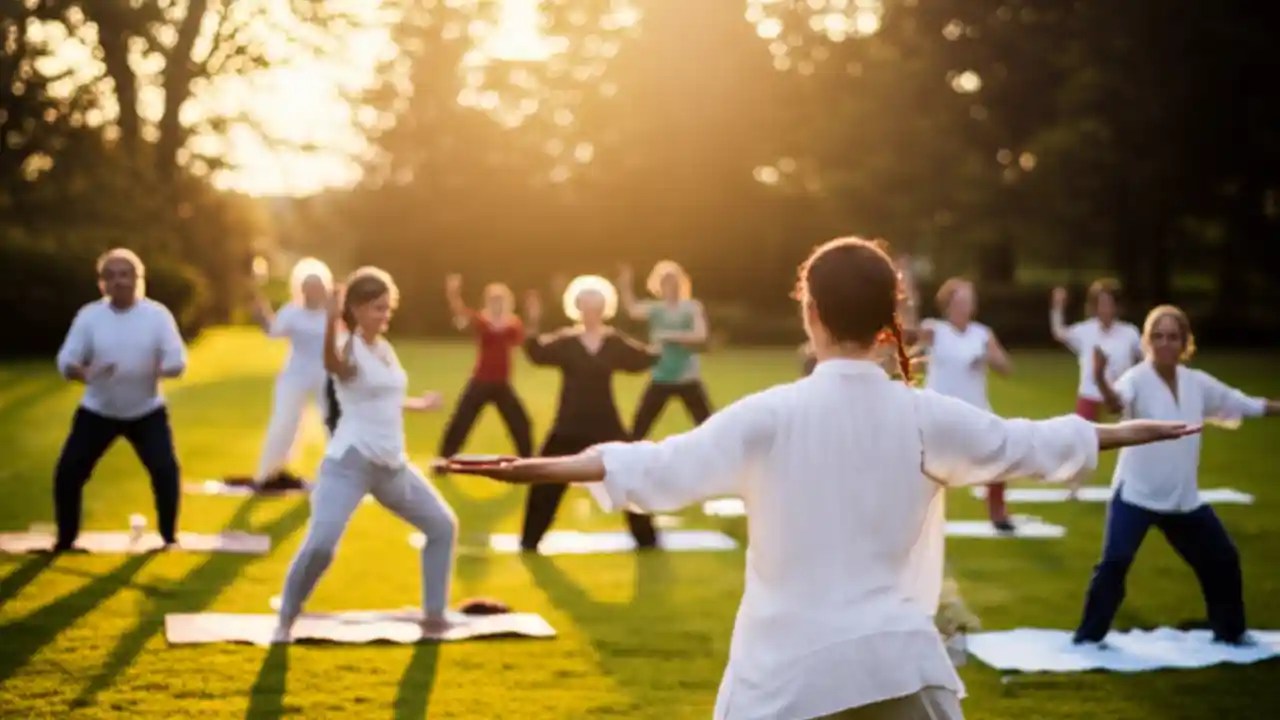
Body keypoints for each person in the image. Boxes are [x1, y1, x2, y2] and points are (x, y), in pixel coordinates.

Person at [444, 237, 1195, 720]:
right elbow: (1033, 442)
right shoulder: (923, 415)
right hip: (900, 669)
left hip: (785, 682)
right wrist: (1138, 426)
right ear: (888, 320)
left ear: (810, 313)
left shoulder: (770, 413)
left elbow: (655, 466)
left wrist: (533, 468)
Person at [1072, 305, 1279, 648]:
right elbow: (1115, 402)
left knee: (1223, 559)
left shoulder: (1196, 383)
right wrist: (1100, 380)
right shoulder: (1137, 378)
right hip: (1136, 494)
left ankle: (1231, 631)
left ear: (1185, 342)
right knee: (1115, 562)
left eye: (1172, 337)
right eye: (1157, 336)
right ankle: (1088, 638)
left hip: (1183, 500)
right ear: (1147, 341)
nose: (1165, 343)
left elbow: (1243, 403)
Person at [274, 267, 457, 641]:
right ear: (355, 310)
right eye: (377, 308)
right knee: (322, 546)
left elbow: (382, 396)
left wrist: (419, 404)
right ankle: (286, 616)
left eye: (388, 308)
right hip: (350, 464)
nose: (385, 315)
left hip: (392, 468)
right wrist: (329, 320)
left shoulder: (384, 349)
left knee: (443, 527)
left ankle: (435, 616)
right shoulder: (347, 346)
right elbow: (333, 365)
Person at [53, 248, 187, 551]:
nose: (119, 282)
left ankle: (169, 539)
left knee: (166, 470)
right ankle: (65, 540)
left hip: (146, 412)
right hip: (98, 411)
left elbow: (177, 360)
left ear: (138, 279)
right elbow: (65, 361)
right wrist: (84, 372)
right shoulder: (90, 317)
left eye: (125, 275)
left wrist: (162, 368)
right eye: (110, 276)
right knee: (68, 472)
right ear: (102, 283)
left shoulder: (156, 316)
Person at [518, 274, 659, 553]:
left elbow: (642, 360)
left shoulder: (613, 342)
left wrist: (666, 336)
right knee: (545, 477)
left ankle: (647, 540)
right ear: (578, 308)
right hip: (569, 424)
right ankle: (530, 540)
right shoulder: (567, 342)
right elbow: (536, 353)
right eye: (586, 307)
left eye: (596, 308)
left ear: (604, 309)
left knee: (630, 475)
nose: (591, 313)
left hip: (605, 423)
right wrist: (532, 319)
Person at [919, 277, 1015, 531]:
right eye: (960, 301)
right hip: (939, 413)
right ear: (948, 304)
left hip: (976, 411)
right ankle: (919, 519)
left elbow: (1006, 367)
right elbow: (907, 337)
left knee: (999, 455)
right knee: (926, 467)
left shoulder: (982, 334)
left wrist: (987, 357)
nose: (965, 306)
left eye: (969, 301)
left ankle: (999, 514)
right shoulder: (935, 329)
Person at [249, 258, 334, 488]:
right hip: (294, 375)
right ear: (301, 289)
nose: (312, 292)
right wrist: (259, 310)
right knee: (284, 421)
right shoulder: (292, 312)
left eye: (316, 287)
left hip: (324, 376)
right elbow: (273, 330)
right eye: (307, 288)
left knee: (333, 424)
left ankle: (338, 474)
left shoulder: (331, 314)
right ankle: (268, 474)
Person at [438, 274, 532, 459]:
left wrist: (532, 313)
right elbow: (460, 313)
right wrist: (453, 293)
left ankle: (527, 461)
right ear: (488, 302)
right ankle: (444, 459)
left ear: (508, 302)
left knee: (520, 422)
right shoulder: (482, 321)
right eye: (494, 300)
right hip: (480, 381)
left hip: (502, 383)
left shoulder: (513, 324)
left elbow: (524, 340)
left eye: (501, 300)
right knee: (461, 421)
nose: (497, 304)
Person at [618, 261, 712, 437]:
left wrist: (670, 336)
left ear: (682, 283)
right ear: (659, 286)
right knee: (638, 430)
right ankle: (627, 461)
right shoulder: (656, 309)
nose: (672, 287)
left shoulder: (692, 307)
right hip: (661, 376)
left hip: (687, 377)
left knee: (709, 427)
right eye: (667, 283)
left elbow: (701, 335)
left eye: (675, 282)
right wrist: (625, 284)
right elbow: (632, 309)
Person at [1050, 280, 1142, 421]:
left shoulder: (1130, 332)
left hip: (1119, 397)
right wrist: (1058, 306)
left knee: (1123, 438)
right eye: (1101, 304)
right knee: (1086, 439)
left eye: (1109, 304)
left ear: (1117, 306)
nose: (1105, 309)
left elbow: (1143, 358)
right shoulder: (1085, 330)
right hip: (1089, 395)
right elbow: (1059, 332)